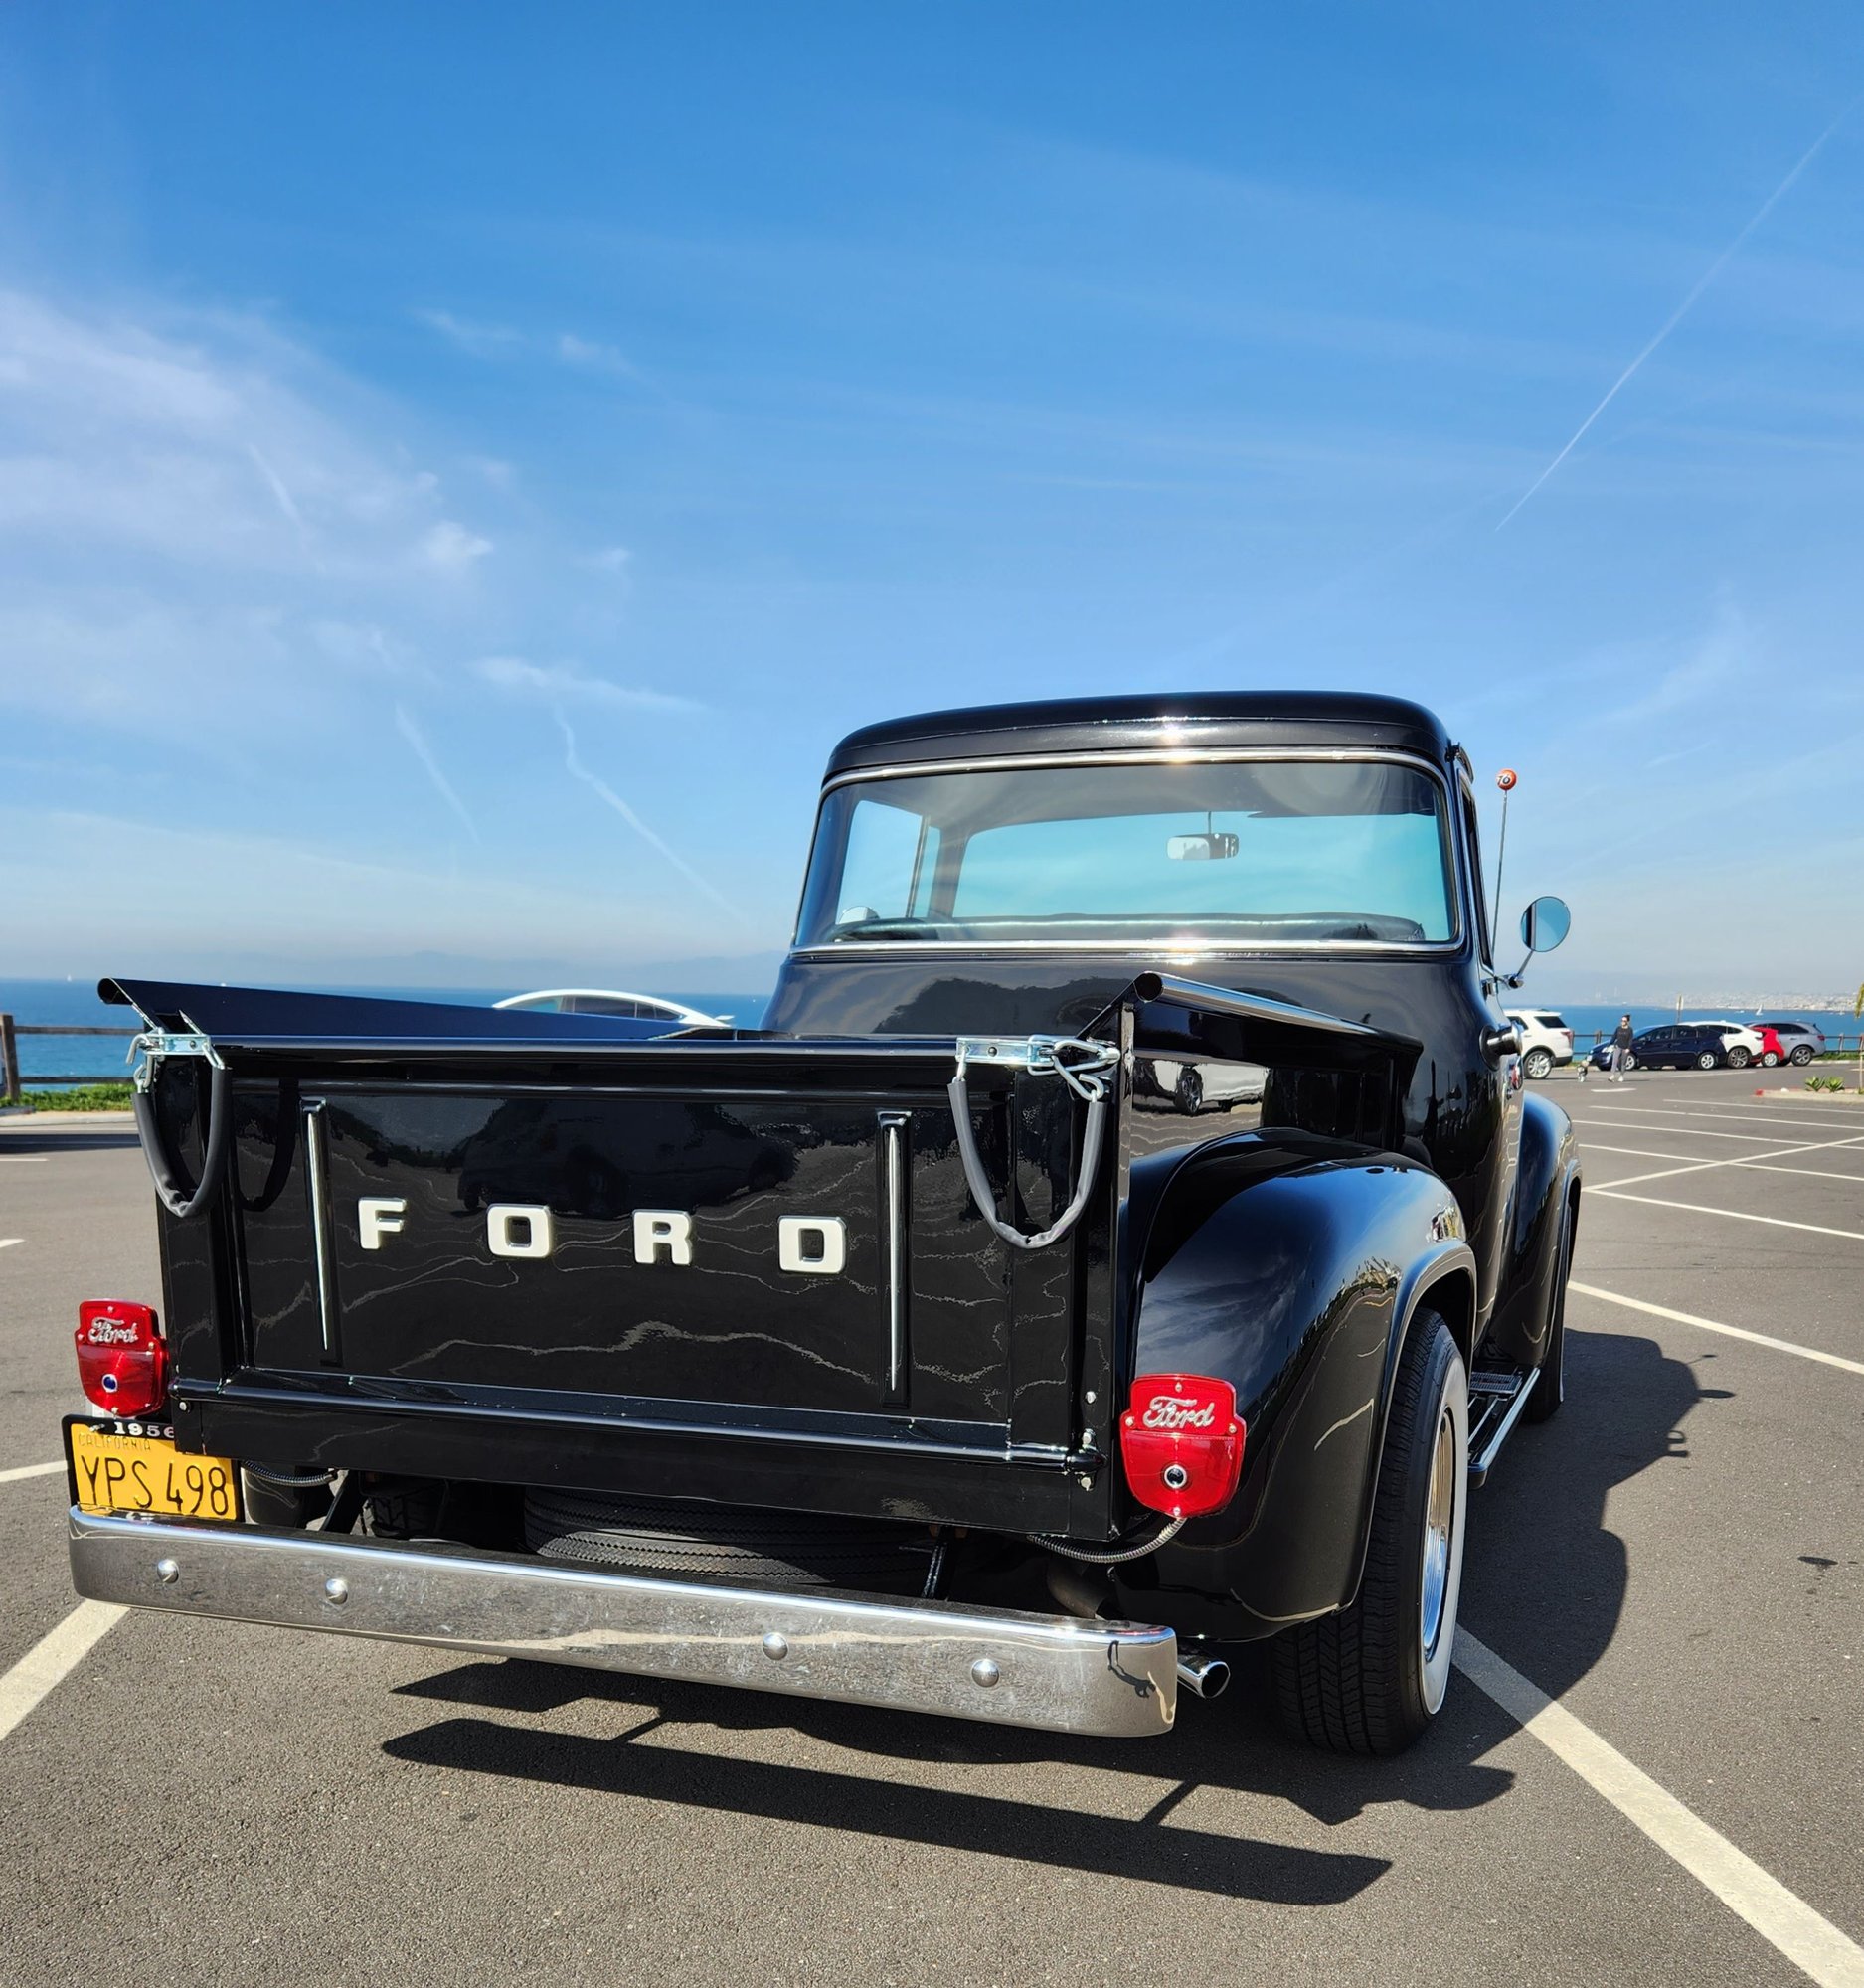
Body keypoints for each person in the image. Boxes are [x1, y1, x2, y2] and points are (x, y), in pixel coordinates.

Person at [1610, 1014, 1635, 1083]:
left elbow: (1630, 1039)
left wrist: (1629, 1048)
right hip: (1618, 1046)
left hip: (1625, 1048)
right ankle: (1612, 1075)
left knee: (1623, 1063)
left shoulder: (1630, 1030)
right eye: (1622, 1020)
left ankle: (1621, 1076)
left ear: (1628, 1022)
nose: (1623, 1022)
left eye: (1624, 1021)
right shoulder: (1618, 1028)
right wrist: (1610, 1044)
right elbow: (1614, 1037)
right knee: (1614, 1061)